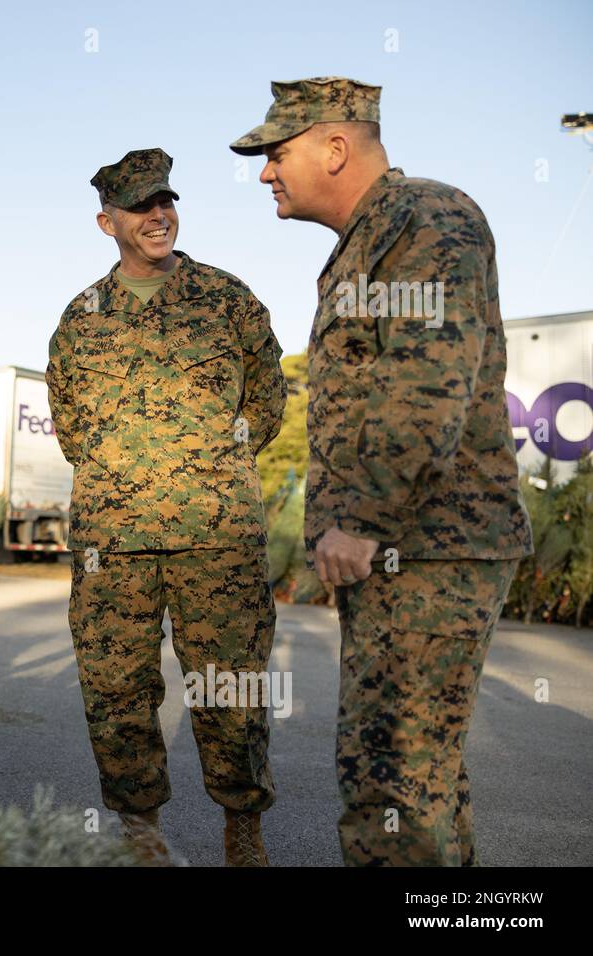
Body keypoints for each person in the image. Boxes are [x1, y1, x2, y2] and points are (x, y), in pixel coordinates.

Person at [229, 77, 533, 865]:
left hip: (430, 542)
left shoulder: (425, 219)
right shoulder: (367, 241)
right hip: (408, 547)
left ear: (336, 147)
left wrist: (360, 520)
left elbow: (427, 384)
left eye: (277, 152)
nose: (265, 172)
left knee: (391, 782)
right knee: (418, 776)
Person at [46, 148, 286, 865]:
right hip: (112, 540)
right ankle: (140, 834)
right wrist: (126, 474)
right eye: (142, 207)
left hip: (218, 535)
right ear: (106, 222)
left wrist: (210, 467)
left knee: (231, 691)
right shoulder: (81, 317)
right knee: (117, 689)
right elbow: (70, 426)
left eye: (166, 202)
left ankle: (243, 830)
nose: (159, 215)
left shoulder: (228, 298)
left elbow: (268, 403)